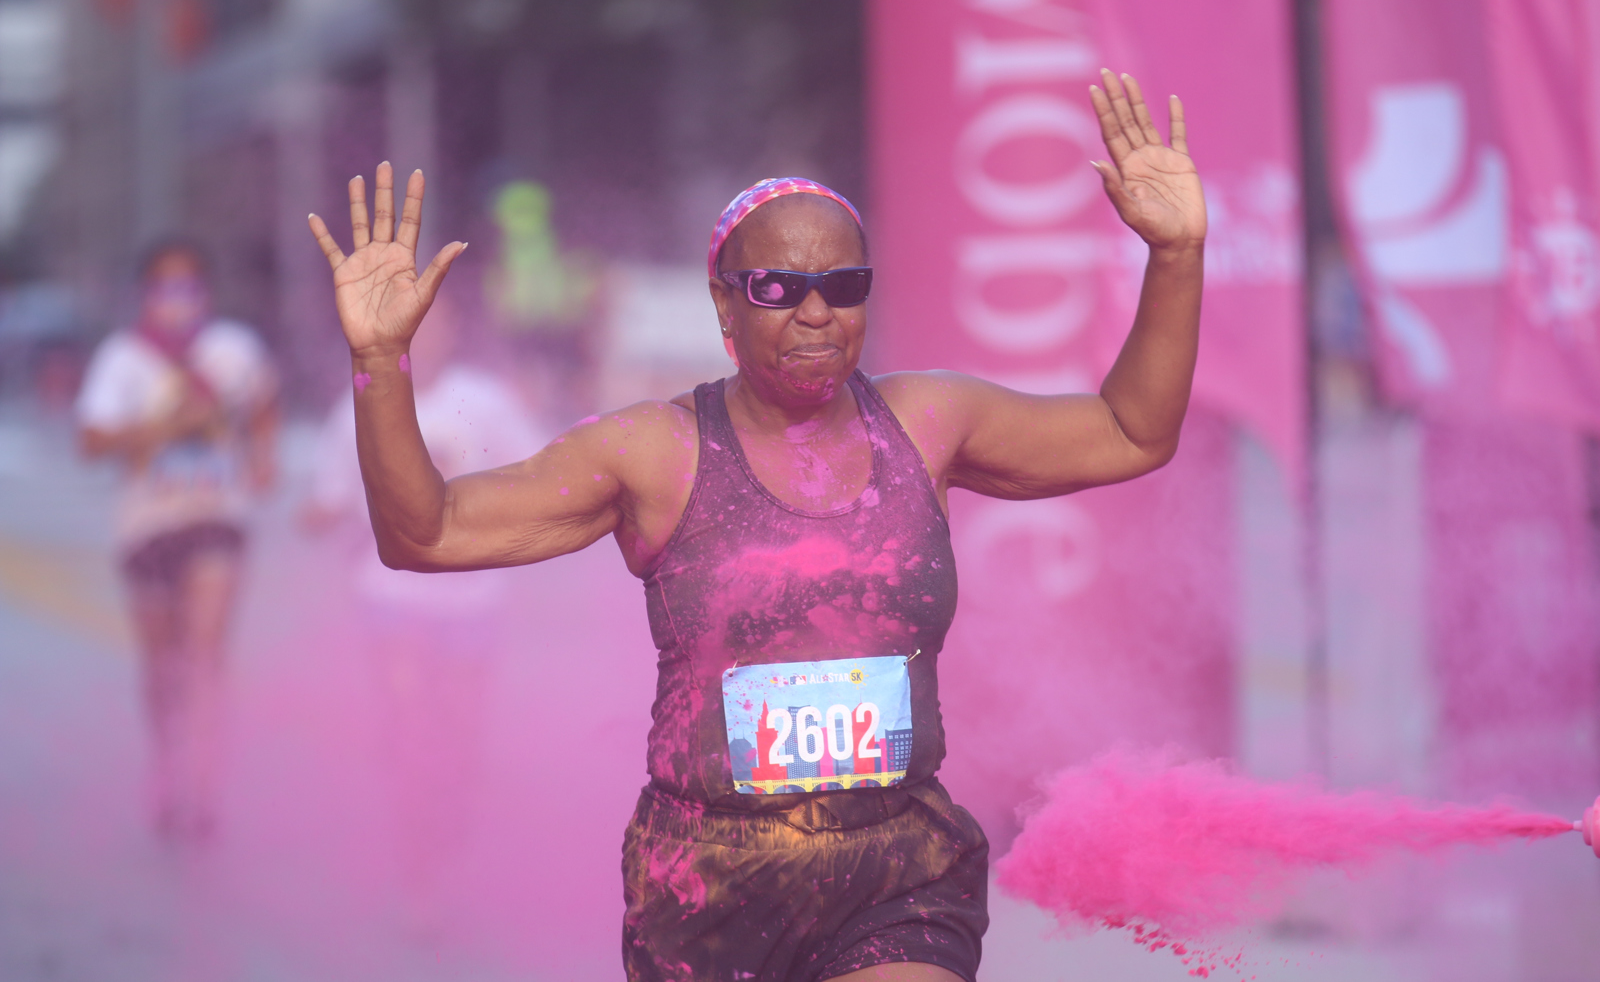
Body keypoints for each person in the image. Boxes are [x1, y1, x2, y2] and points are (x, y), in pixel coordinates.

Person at [307, 71, 1205, 982]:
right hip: (707, 886)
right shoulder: (654, 451)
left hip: (897, 869)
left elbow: (1131, 430)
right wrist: (381, 358)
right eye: (778, 287)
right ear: (725, 302)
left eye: (843, 284)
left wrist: (1174, 256)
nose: (815, 312)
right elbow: (425, 533)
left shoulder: (929, 424)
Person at [301, 288, 543, 914]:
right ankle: (418, 867)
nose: (423, 335)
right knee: (410, 730)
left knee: (457, 738)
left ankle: (448, 827)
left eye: (435, 323)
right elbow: (326, 499)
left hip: (472, 601)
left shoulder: (484, 400)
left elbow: (542, 474)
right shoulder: (364, 400)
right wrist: (330, 514)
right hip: (392, 597)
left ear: (454, 328)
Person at [76, 240, 279, 843]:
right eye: (164, 288)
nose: (177, 300)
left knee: (206, 654)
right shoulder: (122, 359)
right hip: (147, 524)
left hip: (217, 514)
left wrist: (263, 458)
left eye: (189, 287)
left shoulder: (234, 349)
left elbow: (265, 401)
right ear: (145, 295)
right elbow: (90, 441)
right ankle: (167, 761)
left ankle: (204, 781)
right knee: (163, 667)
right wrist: (166, 426)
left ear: (206, 293)